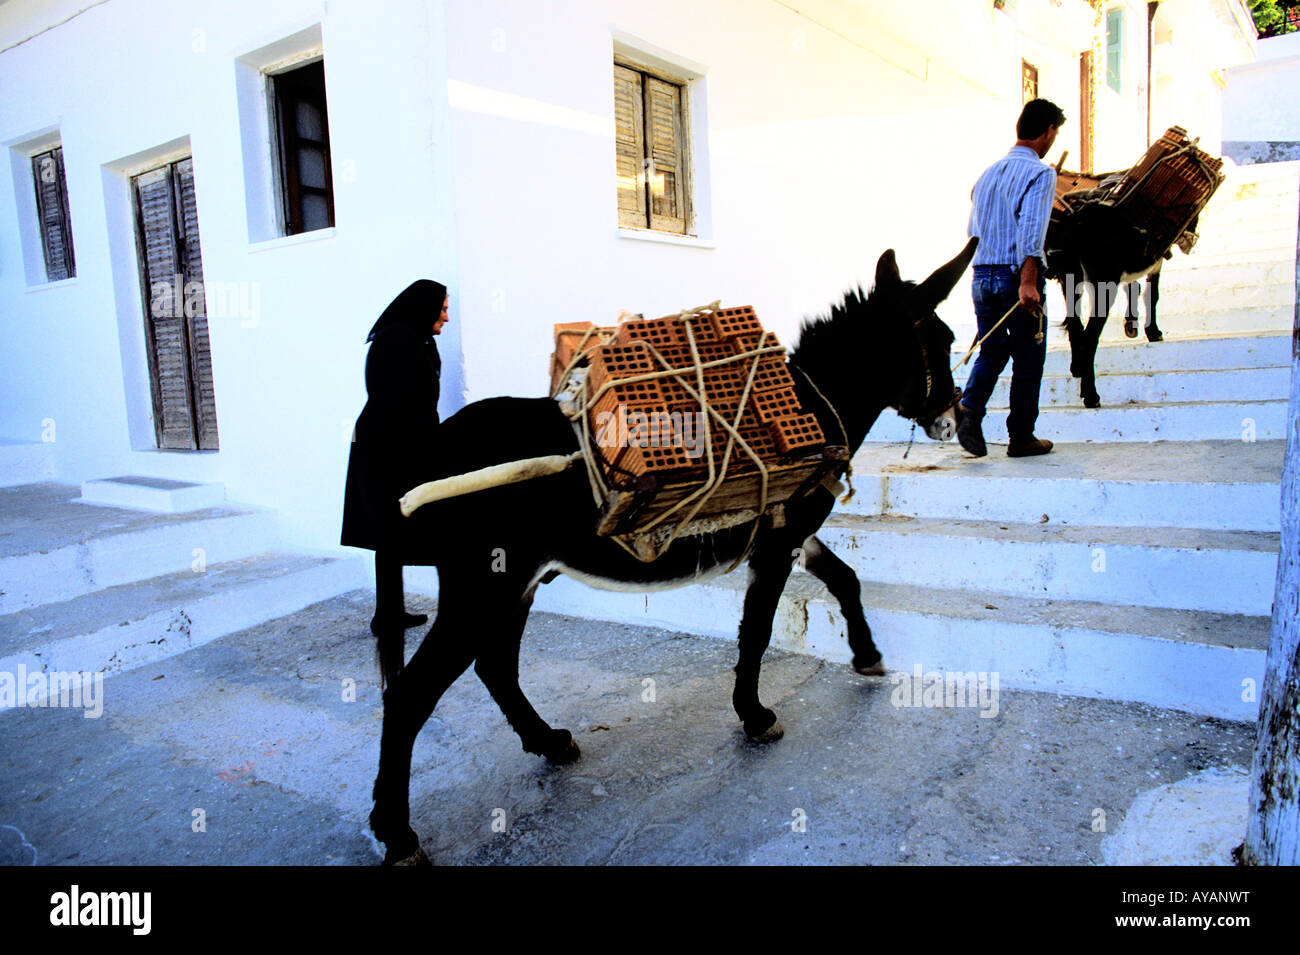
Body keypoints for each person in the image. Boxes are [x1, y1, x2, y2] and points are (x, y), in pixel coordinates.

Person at [341, 279, 449, 652]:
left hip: (406, 441)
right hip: (385, 446)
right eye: (443, 309)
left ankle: (389, 612)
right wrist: (427, 442)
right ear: (425, 308)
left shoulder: (419, 338)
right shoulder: (394, 340)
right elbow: (394, 401)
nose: (447, 317)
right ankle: (388, 615)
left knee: (398, 530)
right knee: (392, 528)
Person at [957, 98, 1065, 458]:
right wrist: (1028, 281)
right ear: (1048, 132)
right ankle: (1021, 436)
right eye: (1055, 133)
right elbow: (1032, 232)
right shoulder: (1041, 173)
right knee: (1029, 357)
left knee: (992, 348)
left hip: (981, 276)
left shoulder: (986, 174)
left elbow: (975, 229)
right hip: (1014, 276)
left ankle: (969, 411)